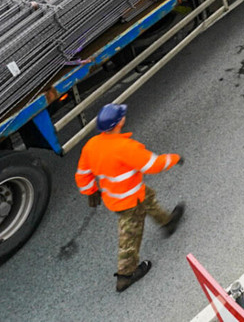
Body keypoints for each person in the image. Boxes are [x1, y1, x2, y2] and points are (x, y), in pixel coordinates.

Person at [75, 103, 184, 293]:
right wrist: (173, 158)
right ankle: (125, 276)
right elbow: (153, 165)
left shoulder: (91, 146)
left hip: (118, 196)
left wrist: (91, 191)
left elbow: (83, 174)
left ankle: (167, 222)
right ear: (120, 122)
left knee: (149, 200)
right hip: (130, 201)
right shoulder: (126, 147)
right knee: (130, 236)